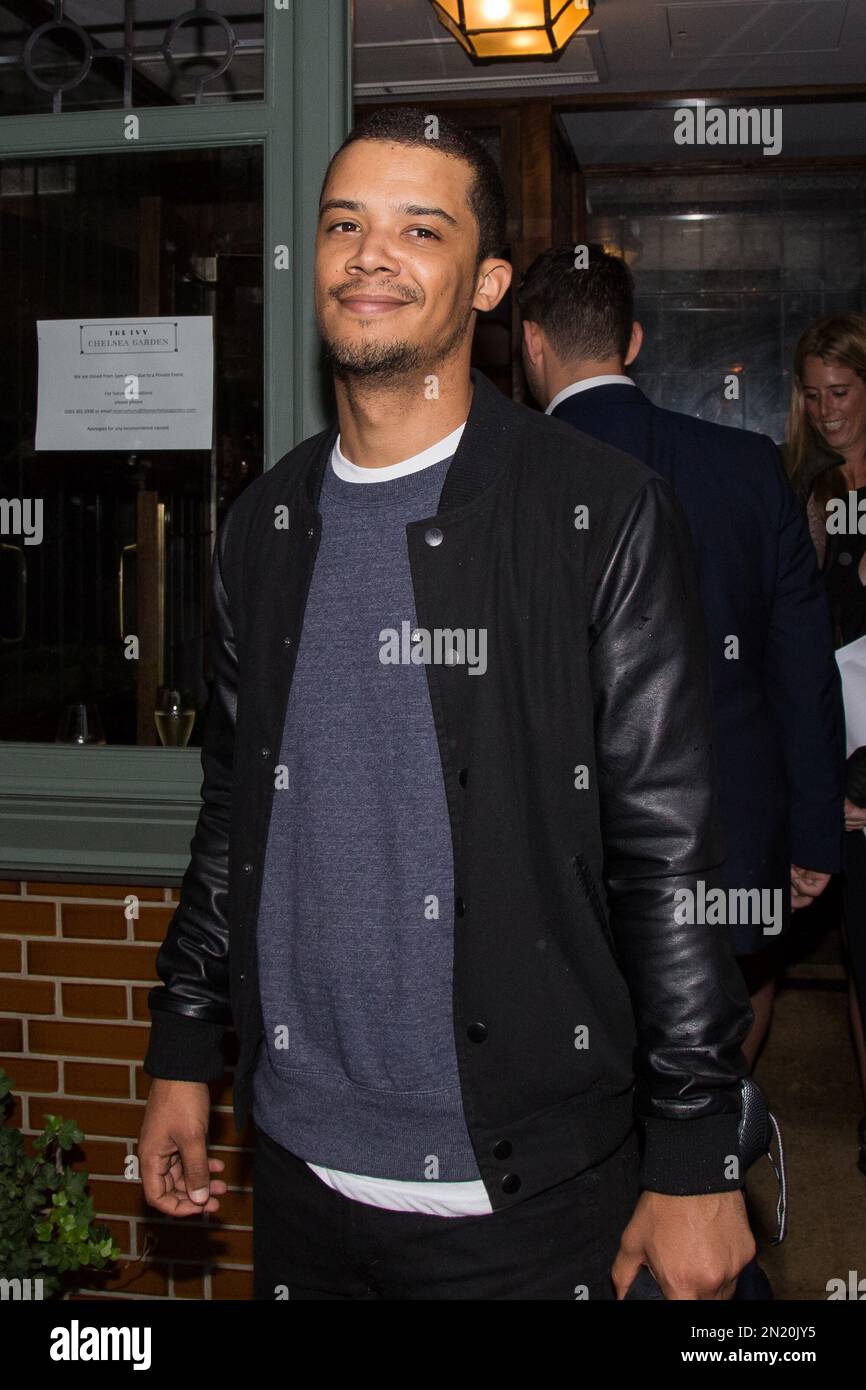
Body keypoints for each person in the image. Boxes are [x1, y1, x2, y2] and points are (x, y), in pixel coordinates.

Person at [139, 107, 757, 1301]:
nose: (370, 255)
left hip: (522, 1195)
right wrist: (181, 1046)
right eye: (343, 225)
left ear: (485, 285)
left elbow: (668, 851)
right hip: (298, 1170)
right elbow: (232, 814)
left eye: (418, 229)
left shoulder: (599, 513)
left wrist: (694, 1151)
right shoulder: (262, 527)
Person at [517, 246, 844, 1076]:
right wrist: (812, 831)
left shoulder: (500, 475)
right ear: (632, 342)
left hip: (553, 842)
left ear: (531, 345)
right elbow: (801, 668)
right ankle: (703, 1166)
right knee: (722, 1029)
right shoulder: (746, 467)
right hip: (729, 828)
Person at [782, 313, 866, 1172]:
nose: (828, 409)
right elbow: (801, 636)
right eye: (813, 396)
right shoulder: (813, 492)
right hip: (839, 741)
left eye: (841, 393)